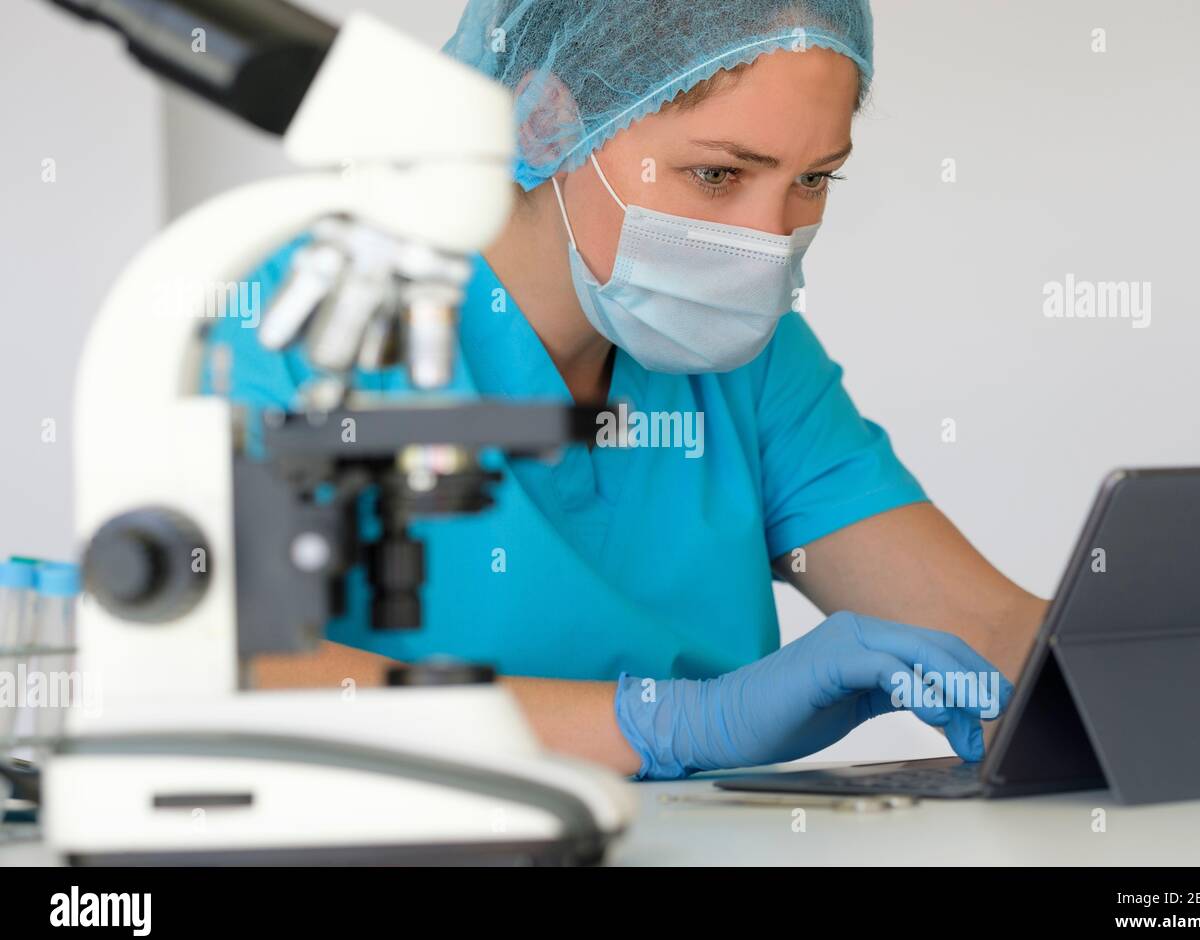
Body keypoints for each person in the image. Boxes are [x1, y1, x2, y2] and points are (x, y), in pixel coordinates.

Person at [213, 0, 1048, 780]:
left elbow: (985, 630)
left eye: (814, 179)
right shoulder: (314, 323)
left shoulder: (750, 364)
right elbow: (249, 671)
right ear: (547, 122)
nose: (767, 239)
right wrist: (672, 724)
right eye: (719, 176)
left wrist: (1145, 639)